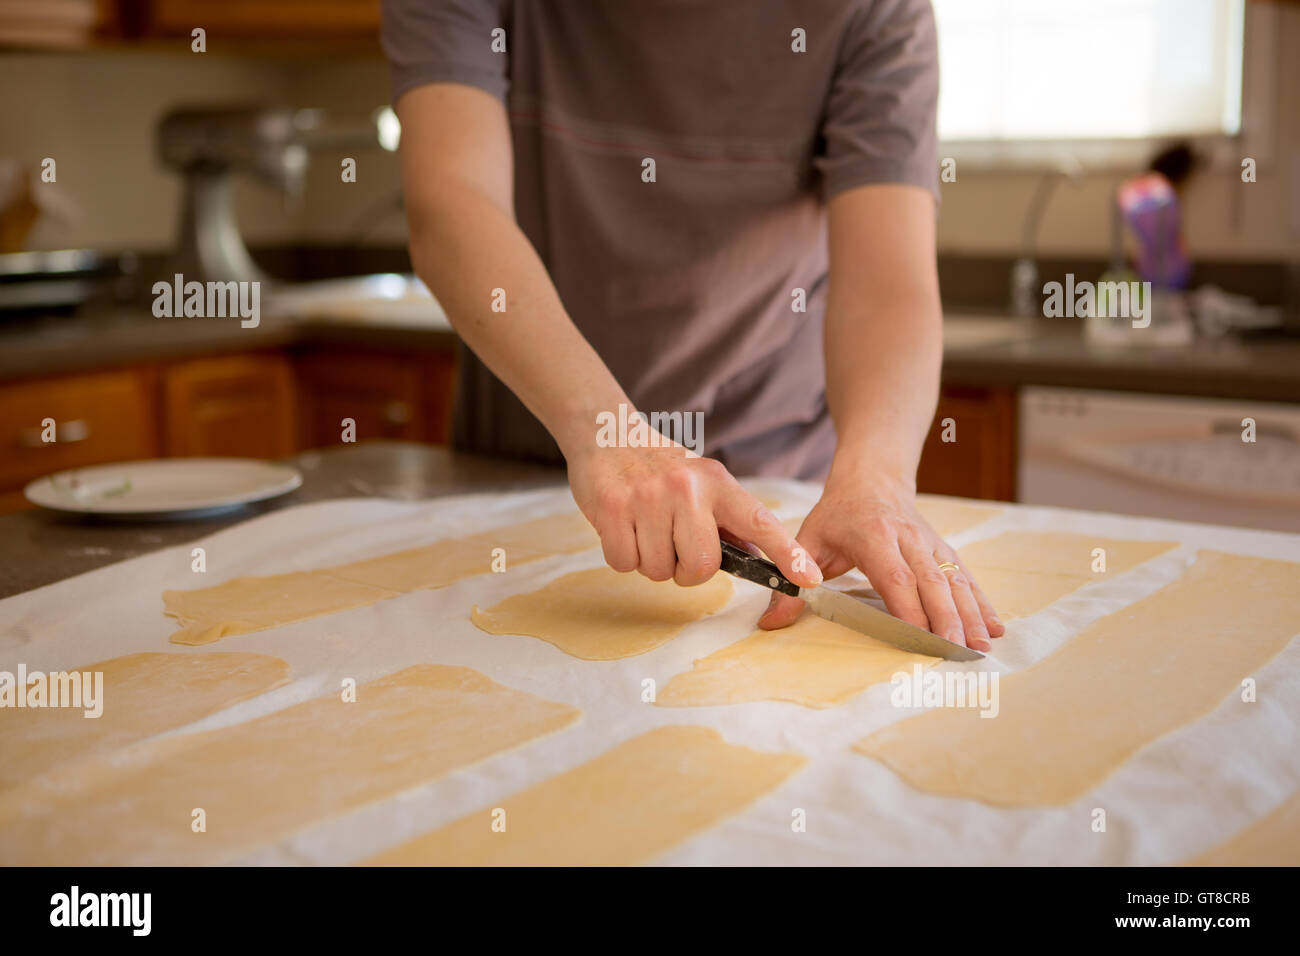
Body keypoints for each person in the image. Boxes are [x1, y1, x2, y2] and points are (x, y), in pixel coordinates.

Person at [382, 0, 1003, 650]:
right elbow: (452, 203)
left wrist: (876, 479)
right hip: (525, 472)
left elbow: (885, 284)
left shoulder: (875, 10)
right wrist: (608, 433)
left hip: (777, 488)